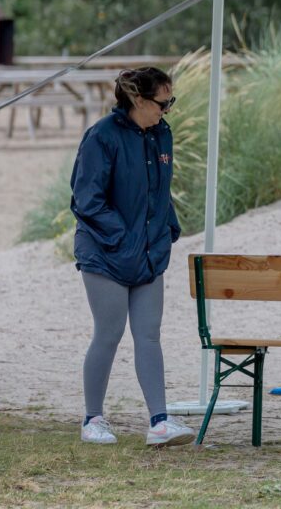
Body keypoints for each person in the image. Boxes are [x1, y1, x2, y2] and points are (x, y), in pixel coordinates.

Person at [71, 67, 193, 447]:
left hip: (150, 252)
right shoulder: (101, 137)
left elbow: (159, 192)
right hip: (105, 253)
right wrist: (124, 239)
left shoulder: (162, 134)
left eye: (170, 102)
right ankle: (93, 419)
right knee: (108, 334)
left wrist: (167, 229)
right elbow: (86, 200)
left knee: (149, 335)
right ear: (138, 100)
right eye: (162, 102)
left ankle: (159, 422)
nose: (167, 110)